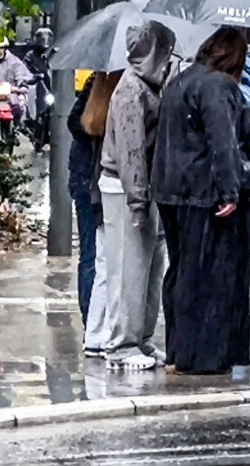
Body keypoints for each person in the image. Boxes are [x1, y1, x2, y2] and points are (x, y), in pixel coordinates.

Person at [151, 26, 250, 377]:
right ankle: (202, 356)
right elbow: (222, 141)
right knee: (207, 276)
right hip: (203, 194)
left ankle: (177, 351)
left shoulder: (180, 81)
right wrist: (230, 191)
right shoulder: (217, 86)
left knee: (181, 271)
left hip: (170, 190)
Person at [82, 22, 173, 368]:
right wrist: (138, 203)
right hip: (126, 189)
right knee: (129, 268)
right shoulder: (131, 91)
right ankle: (122, 343)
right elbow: (132, 151)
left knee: (147, 268)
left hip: (138, 189)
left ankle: (140, 338)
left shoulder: (145, 86)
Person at [67, 70, 115, 315]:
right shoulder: (104, 83)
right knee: (94, 253)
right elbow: (75, 123)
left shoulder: (97, 81)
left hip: (85, 176)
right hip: (90, 177)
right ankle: (92, 318)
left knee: (92, 252)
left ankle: (92, 320)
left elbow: (73, 122)